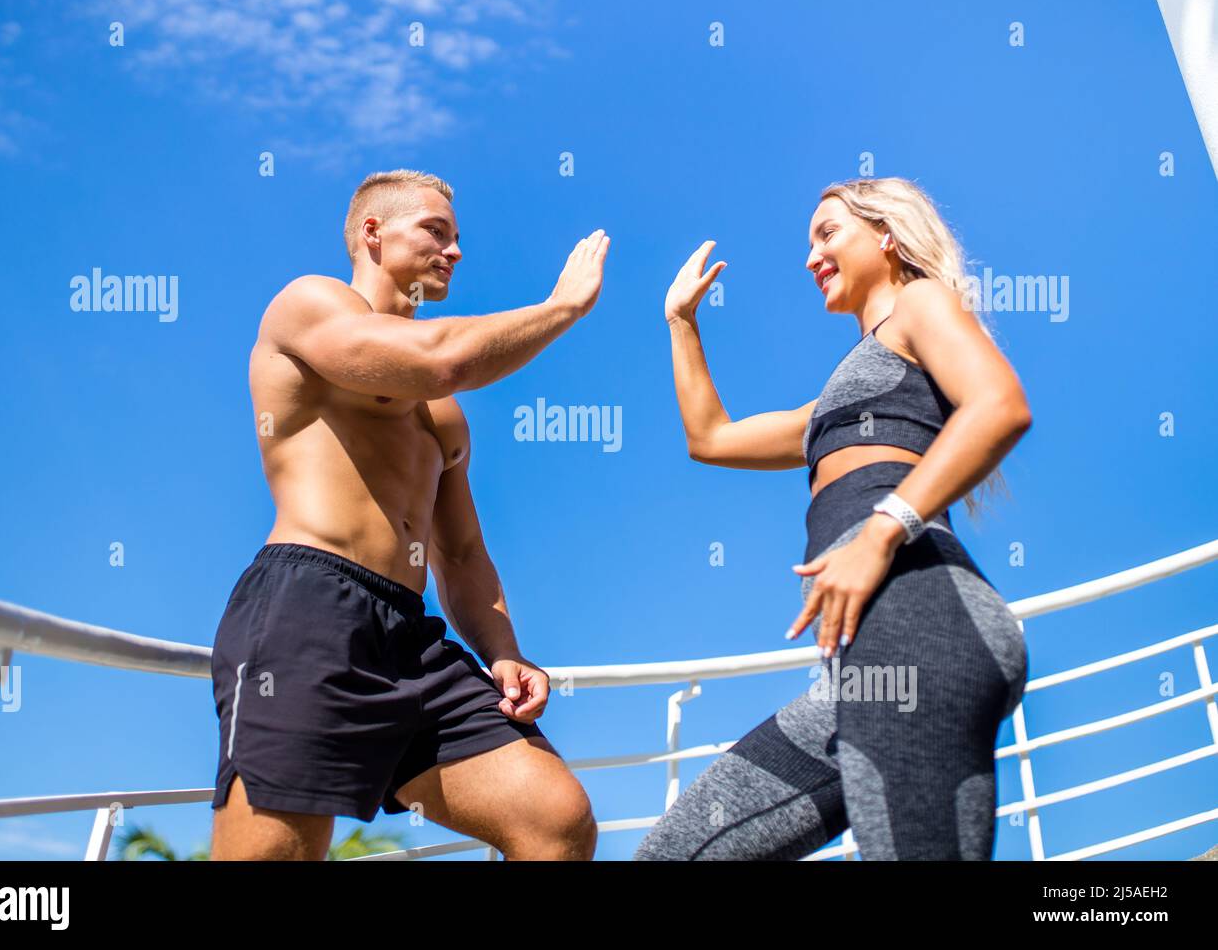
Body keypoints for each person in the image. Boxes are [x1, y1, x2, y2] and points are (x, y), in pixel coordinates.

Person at [209, 169, 608, 860]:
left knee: (555, 819)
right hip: (307, 609)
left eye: (457, 239)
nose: (453, 251)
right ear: (372, 232)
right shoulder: (308, 305)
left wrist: (504, 652)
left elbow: (459, 553)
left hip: (411, 635)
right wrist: (562, 307)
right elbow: (438, 359)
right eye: (435, 231)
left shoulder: (444, 414)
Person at [635, 177, 1032, 860]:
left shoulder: (921, 302)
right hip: (857, 676)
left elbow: (999, 405)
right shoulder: (833, 403)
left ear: (887, 233)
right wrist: (680, 322)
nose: (811, 255)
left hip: (922, 625)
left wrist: (882, 531)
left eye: (828, 233)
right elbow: (712, 438)